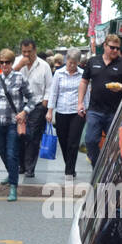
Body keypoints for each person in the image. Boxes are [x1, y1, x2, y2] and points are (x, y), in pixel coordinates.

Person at [78, 34, 122, 168]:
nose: (115, 51)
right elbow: (84, 82)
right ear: (105, 46)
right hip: (94, 110)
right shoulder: (93, 62)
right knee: (90, 141)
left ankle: (113, 168)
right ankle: (97, 166)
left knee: (116, 145)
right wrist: (80, 103)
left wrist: (120, 87)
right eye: (112, 47)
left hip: (114, 112)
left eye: (117, 48)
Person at [0, 48, 29, 201]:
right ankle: (11, 174)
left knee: (11, 154)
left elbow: (32, 98)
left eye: (7, 62)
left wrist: (24, 111)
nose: (4, 65)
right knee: (2, 152)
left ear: (12, 62)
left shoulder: (19, 78)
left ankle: (13, 187)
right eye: (1, 62)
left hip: (13, 122)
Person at [13, 38, 52, 179]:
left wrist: (45, 105)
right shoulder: (17, 62)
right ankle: (21, 165)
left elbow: (49, 87)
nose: (26, 55)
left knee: (32, 136)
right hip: (19, 104)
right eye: (24, 52)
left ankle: (30, 167)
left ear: (34, 50)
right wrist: (18, 66)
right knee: (19, 135)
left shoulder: (44, 66)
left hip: (36, 105)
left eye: (29, 52)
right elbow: (7, 78)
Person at [46, 49, 86, 180]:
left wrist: (86, 108)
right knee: (63, 141)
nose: (72, 66)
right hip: (62, 111)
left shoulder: (82, 74)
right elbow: (53, 93)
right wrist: (50, 110)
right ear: (66, 61)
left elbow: (86, 93)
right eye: (70, 63)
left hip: (77, 112)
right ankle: (70, 166)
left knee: (73, 143)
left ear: (78, 62)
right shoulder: (58, 73)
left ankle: (69, 171)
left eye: (75, 63)